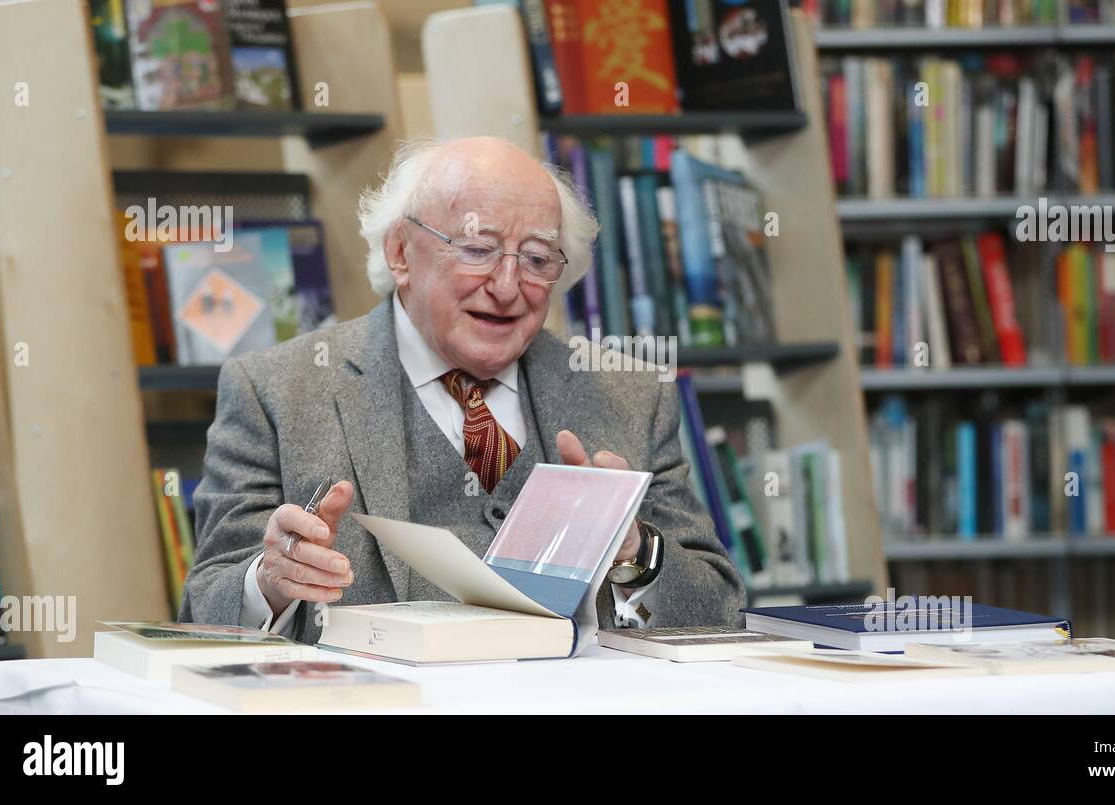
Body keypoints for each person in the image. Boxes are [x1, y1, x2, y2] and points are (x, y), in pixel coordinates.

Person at [180, 136, 745, 644]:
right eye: (477, 249)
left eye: (537, 259)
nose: (506, 288)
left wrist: (635, 554)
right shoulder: (275, 391)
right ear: (401, 252)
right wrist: (271, 582)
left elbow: (720, 611)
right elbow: (205, 612)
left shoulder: (631, 394)